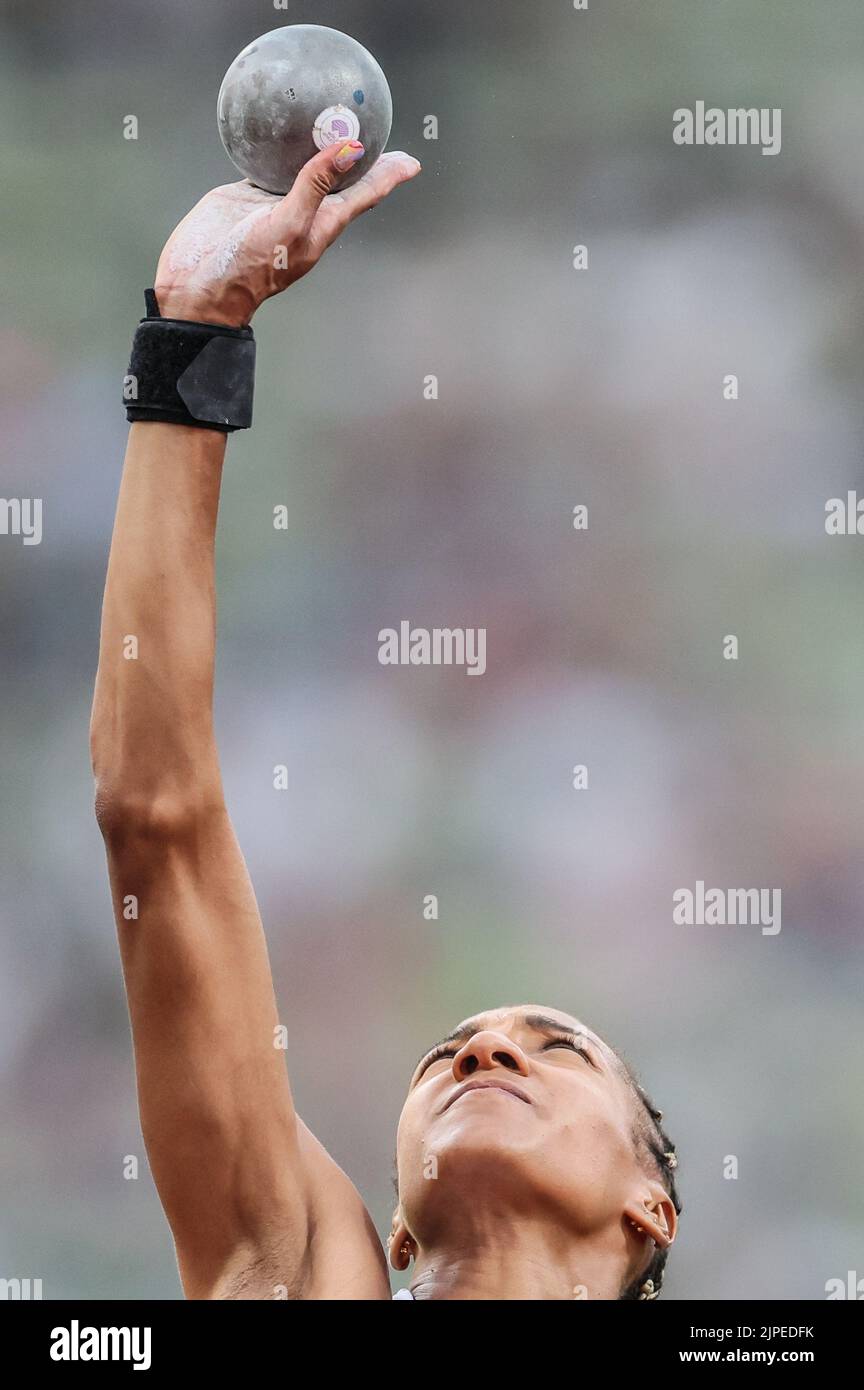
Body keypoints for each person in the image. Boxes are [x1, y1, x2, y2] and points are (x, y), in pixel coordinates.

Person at [90, 139, 680, 1301]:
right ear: (395, 1228)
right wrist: (194, 338)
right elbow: (154, 822)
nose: (485, 1050)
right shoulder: (297, 1275)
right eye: (447, 1054)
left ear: (648, 1207)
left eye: (556, 1051)